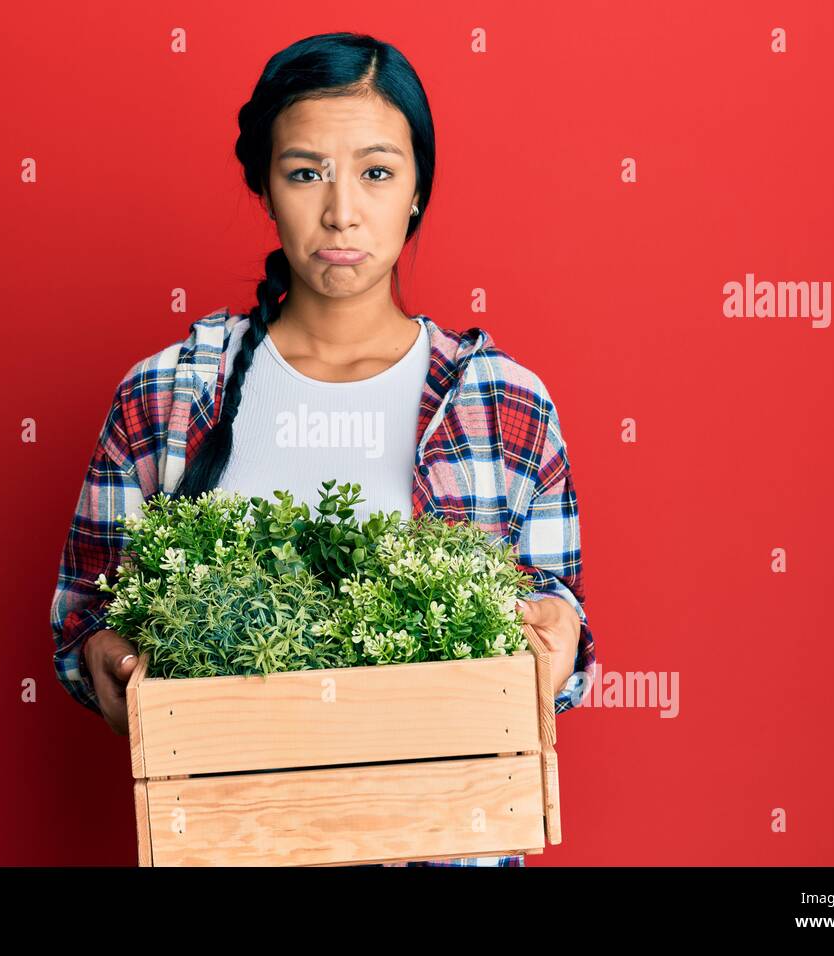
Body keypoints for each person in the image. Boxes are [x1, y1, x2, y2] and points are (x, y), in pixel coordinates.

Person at [49, 31, 597, 867]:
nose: (342, 209)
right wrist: (114, 668)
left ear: (418, 189)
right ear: (265, 188)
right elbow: (83, 623)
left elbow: (558, 632)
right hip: (233, 846)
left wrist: (558, 645)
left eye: (377, 172)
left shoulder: (503, 402)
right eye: (305, 172)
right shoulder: (165, 396)